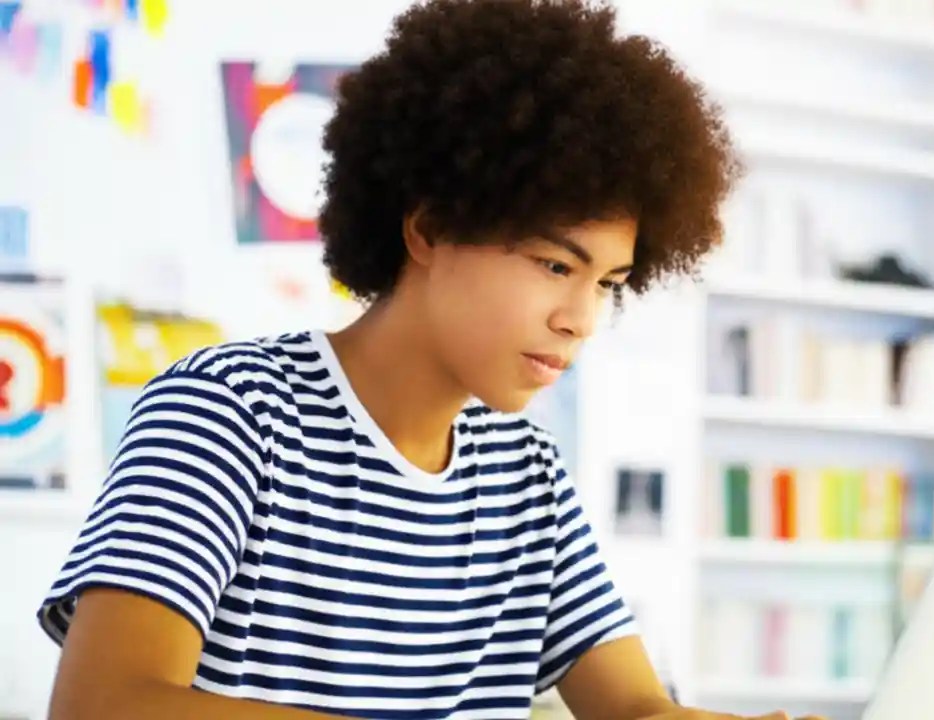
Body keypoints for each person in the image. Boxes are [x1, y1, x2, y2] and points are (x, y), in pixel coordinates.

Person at [38, 1, 824, 718]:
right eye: (555, 266)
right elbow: (102, 704)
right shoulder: (232, 410)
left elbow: (632, 710)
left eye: (608, 283)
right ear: (429, 230)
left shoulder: (526, 474)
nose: (580, 318)